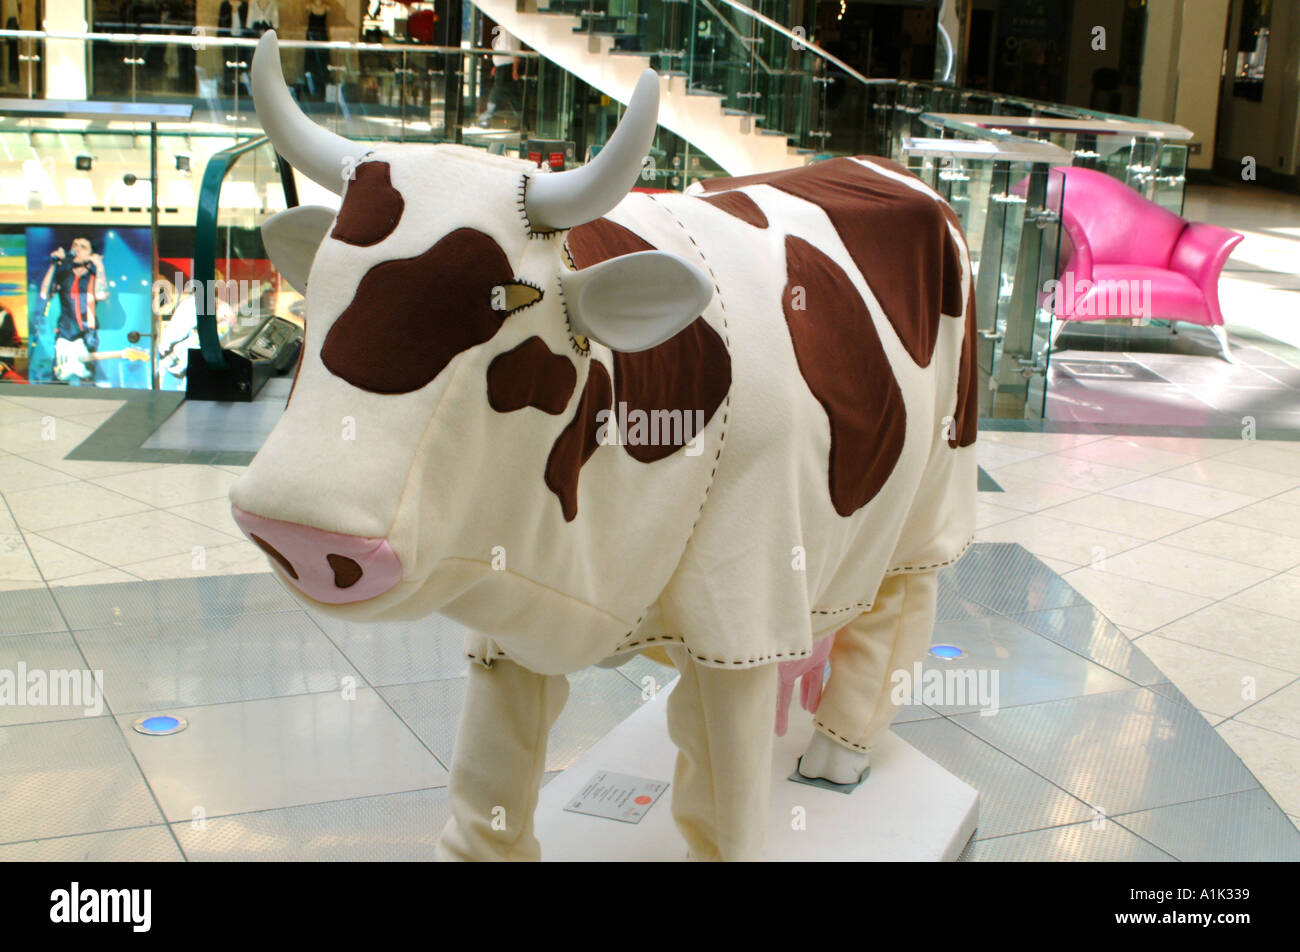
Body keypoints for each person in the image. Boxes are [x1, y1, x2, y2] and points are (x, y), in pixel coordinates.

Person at [39, 237, 108, 385]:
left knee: (87, 381)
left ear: (91, 254)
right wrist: (54, 264)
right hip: (64, 335)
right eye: (75, 245)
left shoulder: (92, 277)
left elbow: (101, 294)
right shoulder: (63, 273)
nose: (77, 249)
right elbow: (45, 293)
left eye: (83, 247)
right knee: (59, 381)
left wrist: (100, 266)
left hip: (86, 336)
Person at [474, 24, 522, 128]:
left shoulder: (510, 32)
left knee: (496, 93)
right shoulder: (504, 33)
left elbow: (515, 54)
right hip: (502, 67)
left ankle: (486, 118)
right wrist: (496, 66)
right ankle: (522, 121)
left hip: (506, 69)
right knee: (512, 96)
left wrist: (514, 70)